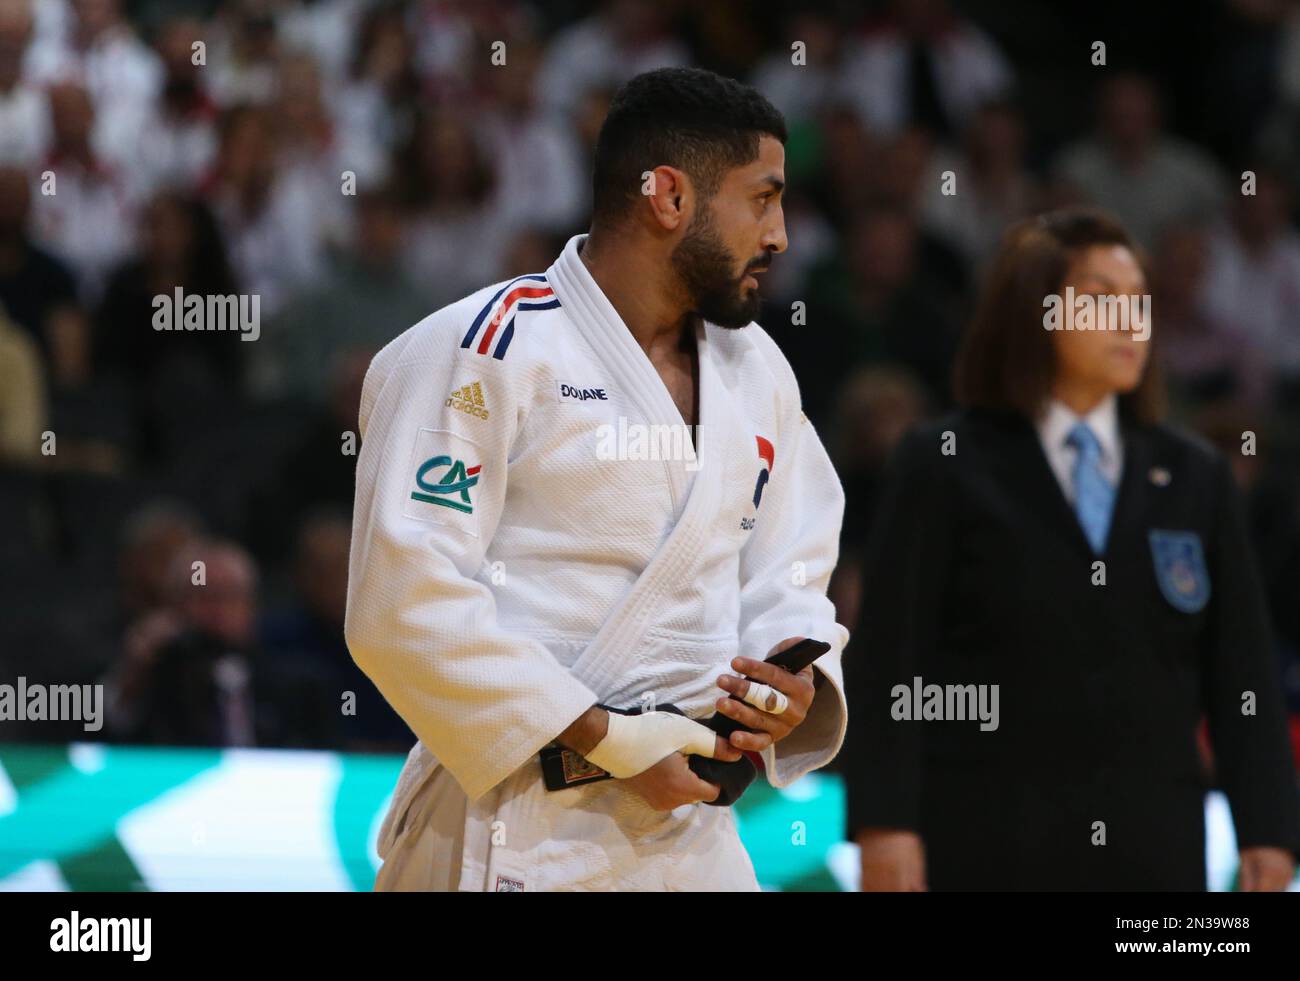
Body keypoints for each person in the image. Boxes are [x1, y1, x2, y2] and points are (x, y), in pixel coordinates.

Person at [345, 67, 849, 892]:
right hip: (512, 816)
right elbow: (402, 605)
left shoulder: (757, 369)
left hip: (692, 827)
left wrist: (787, 678)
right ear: (669, 197)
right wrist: (603, 735)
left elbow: (792, 564)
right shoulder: (484, 348)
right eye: (762, 199)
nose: (781, 234)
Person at [844, 208, 1300, 891]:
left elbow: (1242, 673)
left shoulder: (1195, 474)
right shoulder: (944, 461)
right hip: (984, 841)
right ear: (1034, 312)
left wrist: (1267, 827)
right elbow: (890, 660)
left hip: (1157, 848)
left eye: (1138, 299)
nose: (1129, 320)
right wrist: (883, 823)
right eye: (1099, 297)